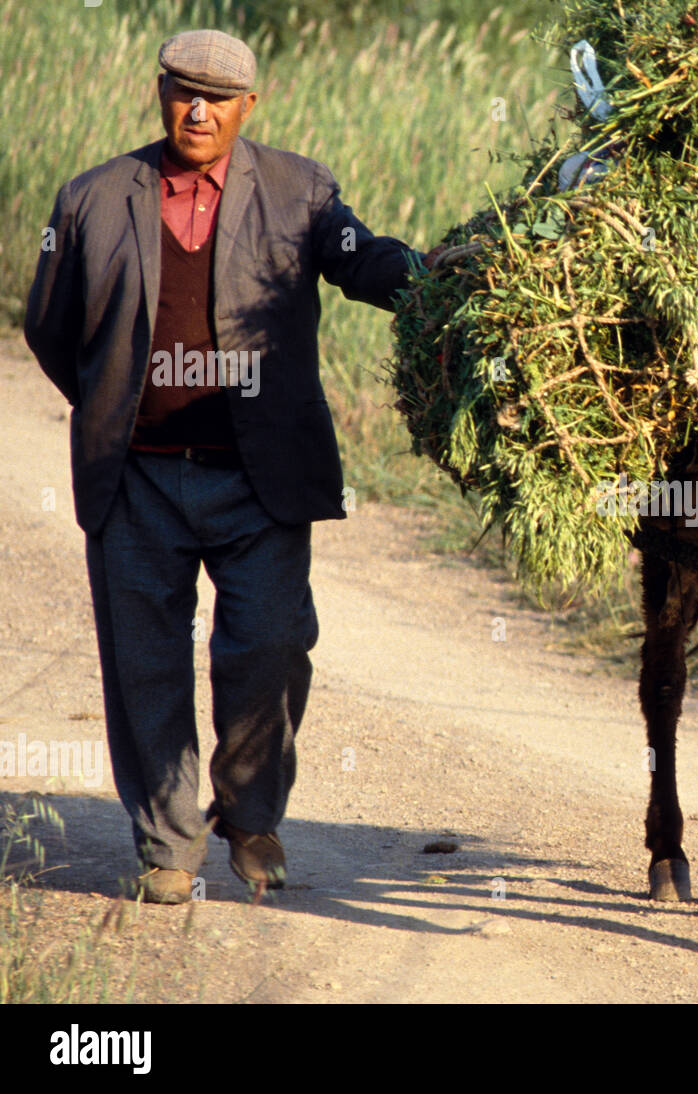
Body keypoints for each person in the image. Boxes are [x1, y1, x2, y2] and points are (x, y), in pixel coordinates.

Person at [25, 29, 441, 904]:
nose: (199, 110)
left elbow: (356, 258)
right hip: (136, 476)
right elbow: (49, 328)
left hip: (262, 480)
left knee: (271, 648)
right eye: (184, 92)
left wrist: (433, 280)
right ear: (160, 92)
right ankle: (169, 849)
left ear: (253, 104)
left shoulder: (300, 191)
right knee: (144, 665)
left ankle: (251, 817)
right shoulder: (93, 199)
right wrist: (114, 398)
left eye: (219, 97)